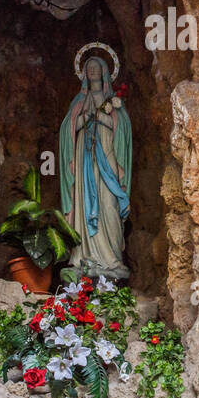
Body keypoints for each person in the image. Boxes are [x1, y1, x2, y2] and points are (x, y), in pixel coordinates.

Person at [59, 52, 131, 281]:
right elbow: (66, 131)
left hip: (107, 156)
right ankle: (83, 256)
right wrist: (82, 119)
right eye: (88, 67)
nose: (91, 71)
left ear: (104, 71)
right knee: (84, 202)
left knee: (108, 203)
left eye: (96, 67)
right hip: (84, 160)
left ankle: (110, 258)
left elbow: (124, 131)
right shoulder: (79, 101)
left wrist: (101, 118)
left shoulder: (114, 101)